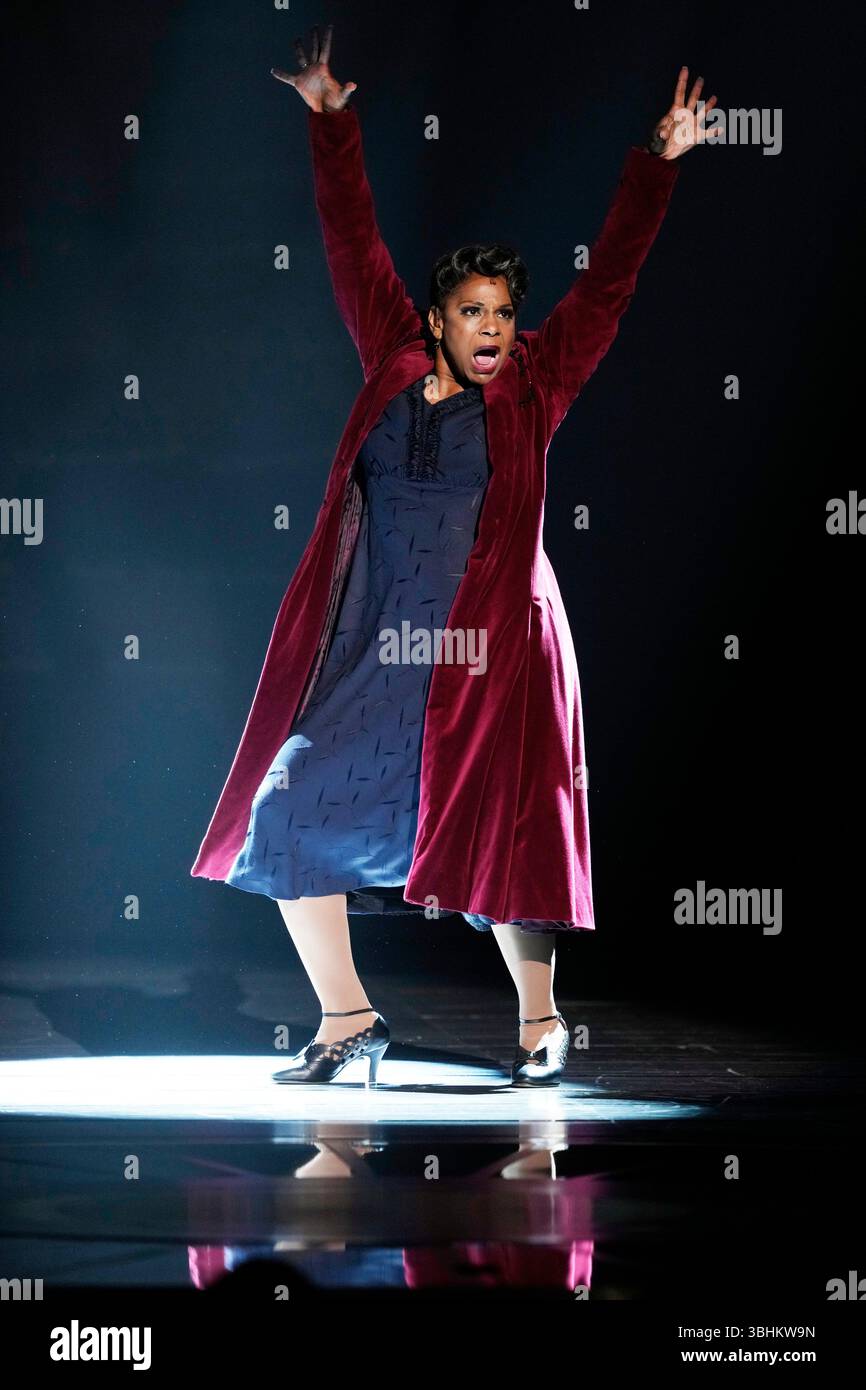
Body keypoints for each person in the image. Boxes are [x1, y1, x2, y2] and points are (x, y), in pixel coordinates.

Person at [191, 22, 718, 1087]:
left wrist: (654, 165)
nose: (490, 330)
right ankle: (348, 1017)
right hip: (379, 646)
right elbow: (351, 244)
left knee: (497, 839)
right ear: (433, 318)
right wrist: (332, 125)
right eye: (471, 313)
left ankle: (537, 1025)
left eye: (503, 315)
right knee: (288, 800)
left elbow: (608, 282)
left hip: (493, 650)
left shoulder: (536, 381)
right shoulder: (388, 356)